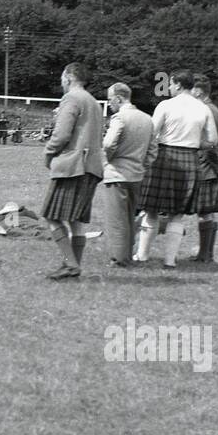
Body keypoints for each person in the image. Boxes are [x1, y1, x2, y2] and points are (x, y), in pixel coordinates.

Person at [135, 70, 217, 268]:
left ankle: (142, 256)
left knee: (151, 211)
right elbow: (213, 140)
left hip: (164, 157)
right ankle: (170, 261)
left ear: (178, 85)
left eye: (170, 84)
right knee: (177, 215)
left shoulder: (165, 105)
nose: (169, 88)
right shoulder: (203, 108)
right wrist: (195, 144)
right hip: (190, 159)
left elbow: (151, 133)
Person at [40, 63, 105, 280]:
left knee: (52, 217)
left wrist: (49, 153)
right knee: (76, 222)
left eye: (61, 77)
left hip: (74, 166)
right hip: (92, 167)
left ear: (68, 77)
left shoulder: (72, 98)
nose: (61, 82)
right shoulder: (94, 102)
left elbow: (61, 135)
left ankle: (71, 265)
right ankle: (73, 266)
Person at [101, 83, 153, 267]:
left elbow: (108, 144)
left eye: (110, 99)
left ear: (118, 98)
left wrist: (109, 160)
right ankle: (127, 254)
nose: (109, 103)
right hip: (137, 175)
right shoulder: (147, 119)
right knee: (130, 217)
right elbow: (153, 150)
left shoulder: (119, 118)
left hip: (117, 174)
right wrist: (142, 165)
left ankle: (119, 258)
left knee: (116, 218)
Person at [189, 74, 218, 263]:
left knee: (205, 211)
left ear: (198, 91)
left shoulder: (208, 111)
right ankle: (206, 254)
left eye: (191, 89)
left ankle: (205, 255)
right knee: (206, 211)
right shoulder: (212, 109)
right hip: (212, 166)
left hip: (207, 167)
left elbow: (211, 144)